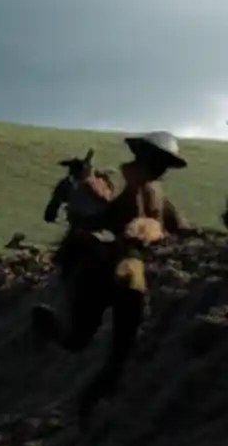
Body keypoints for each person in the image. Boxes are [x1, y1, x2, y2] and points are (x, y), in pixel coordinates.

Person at [31, 131, 188, 425]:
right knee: (80, 340)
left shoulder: (154, 193)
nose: (159, 167)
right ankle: (46, 324)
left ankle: (91, 406)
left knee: (120, 350)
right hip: (105, 271)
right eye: (157, 160)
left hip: (130, 274)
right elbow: (104, 221)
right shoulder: (131, 191)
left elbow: (174, 226)